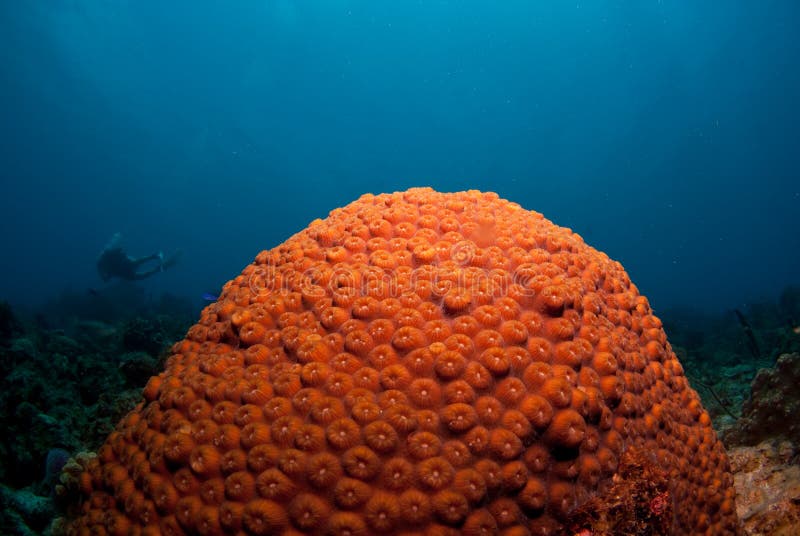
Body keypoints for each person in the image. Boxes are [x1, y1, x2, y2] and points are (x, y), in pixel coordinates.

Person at [96, 233, 168, 282]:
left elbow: (119, 251)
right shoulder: (101, 265)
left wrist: (107, 277)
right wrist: (108, 276)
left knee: (136, 264)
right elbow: (105, 278)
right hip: (121, 272)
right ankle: (155, 266)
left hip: (123, 265)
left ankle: (155, 256)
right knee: (139, 274)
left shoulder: (105, 257)